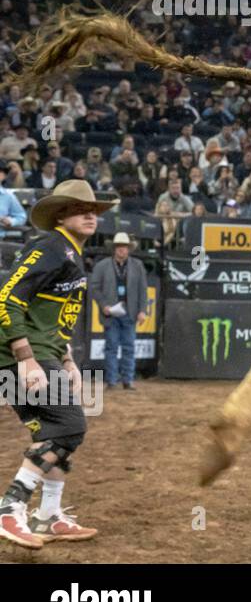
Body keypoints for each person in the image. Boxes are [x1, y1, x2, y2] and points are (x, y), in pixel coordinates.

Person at [0, 179, 118, 548]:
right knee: (70, 426)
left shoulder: (68, 252)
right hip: (21, 355)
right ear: (60, 216)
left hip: (40, 352)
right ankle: (9, 508)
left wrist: (66, 359)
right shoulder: (51, 246)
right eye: (79, 209)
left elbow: (52, 318)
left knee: (52, 433)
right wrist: (26, 359)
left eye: (93, 210)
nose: (90, 215)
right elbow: (7, 299)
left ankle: (48, 515)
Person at [89, 232, 149, 390]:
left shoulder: (137, 265)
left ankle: (128, 380)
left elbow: (143, 290)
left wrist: (143, 310)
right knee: (111, 347)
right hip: (110, 313)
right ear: (114, 248)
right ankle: (112, 381)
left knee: (129, 347)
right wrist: (103, 305)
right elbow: (94, 288)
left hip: (130, 312)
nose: (122, 249)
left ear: (129, 249)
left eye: (125, 247)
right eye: (119, 247)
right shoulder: (102, 266)